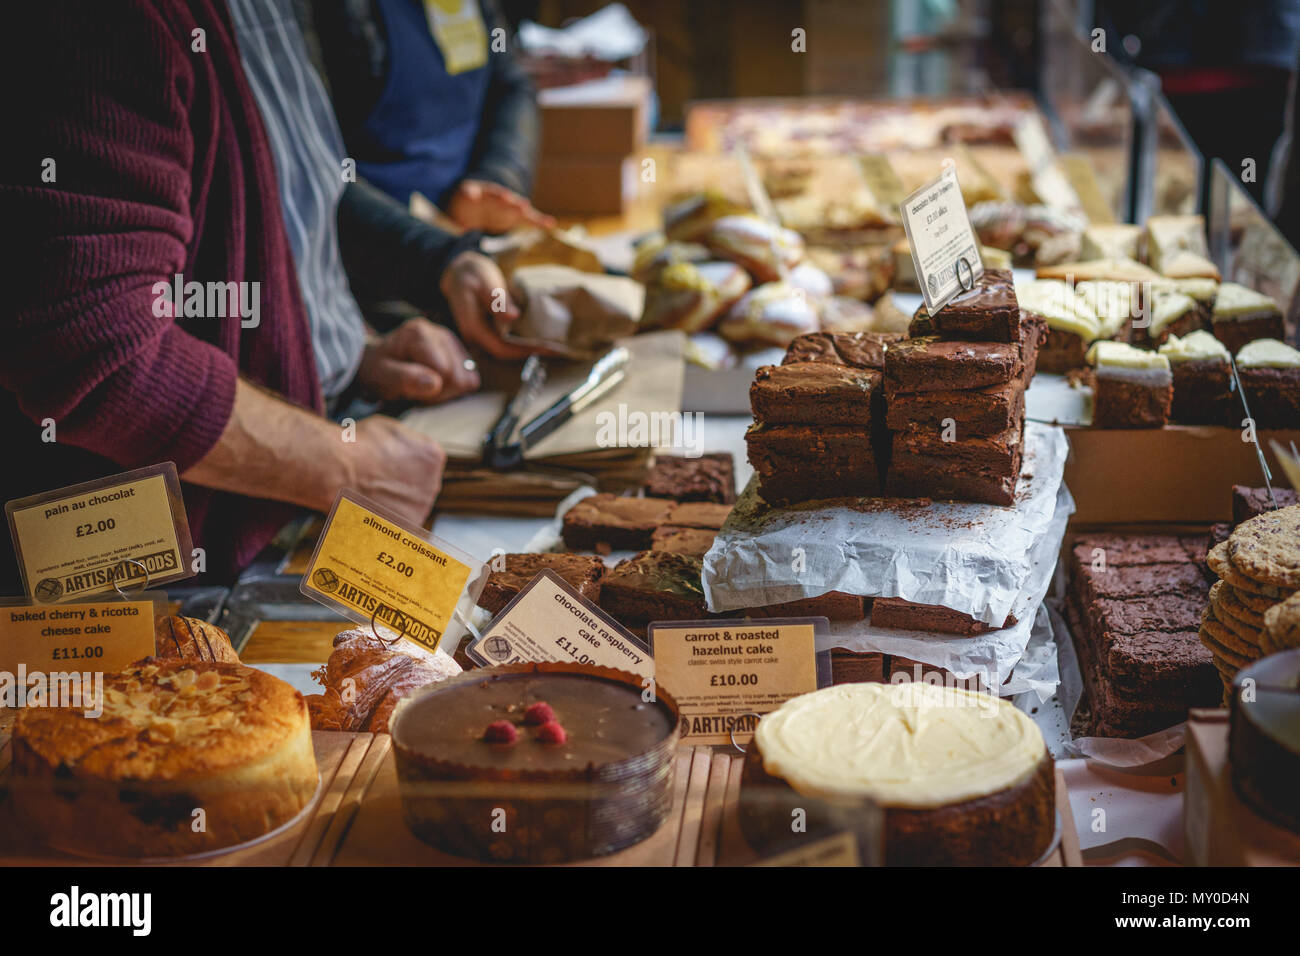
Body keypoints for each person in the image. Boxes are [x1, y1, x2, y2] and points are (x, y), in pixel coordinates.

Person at [0, 0, 527, 593]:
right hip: (140, 567)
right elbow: (101, 352)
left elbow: (282, 189)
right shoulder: (108, 21)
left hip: (280, 496)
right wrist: (345, 465)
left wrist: (349, 341)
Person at [306, 0, 554, 233]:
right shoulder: (334, 13)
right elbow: (319, 168)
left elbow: (509, 85)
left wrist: (497, 176)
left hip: (469, 224)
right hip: (381, 240)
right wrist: (434, 252)